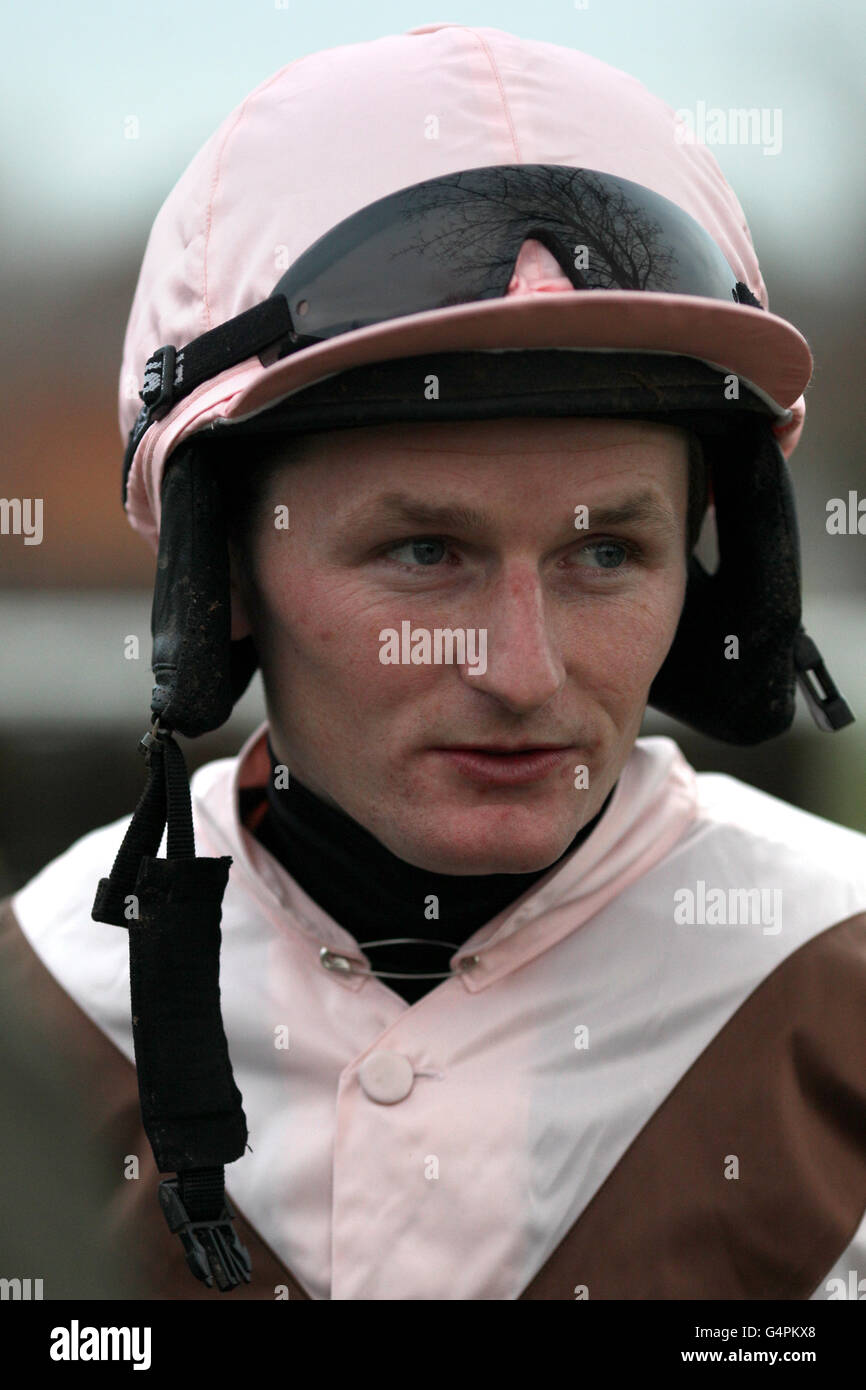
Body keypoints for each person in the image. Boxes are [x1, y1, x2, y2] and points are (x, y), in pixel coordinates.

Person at [2, 22, 864, 1302]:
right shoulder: (41, 1012)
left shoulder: (833, 985)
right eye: (422, 551)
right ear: (222, 573)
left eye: (605, 555)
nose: (521, 672)